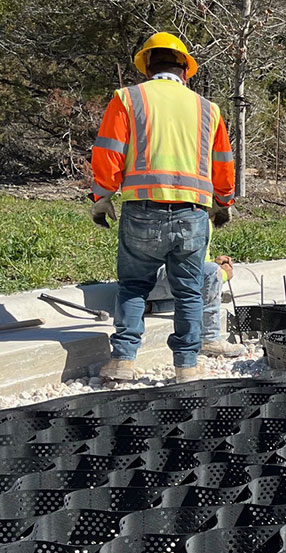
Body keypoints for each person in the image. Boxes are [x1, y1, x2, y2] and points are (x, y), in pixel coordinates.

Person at [89, 31, 235, 382]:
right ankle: (186, 366)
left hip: (141, 210)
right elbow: (223, 162)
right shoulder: (208, 109)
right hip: (192, 214)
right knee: (188, 291)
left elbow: (109, 152)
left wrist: (101, 197)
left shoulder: (128, 99)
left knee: (134, 286)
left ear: (147, 67)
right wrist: (223, 202)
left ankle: (123, 360)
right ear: (185, 70)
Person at [147, 250, 245, 357]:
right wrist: (222, 274)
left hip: (140, 281)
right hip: (146, 277)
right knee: (211, 271)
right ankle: (209, 339)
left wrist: (212, 262)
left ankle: (148, 307)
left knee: (195, 295)